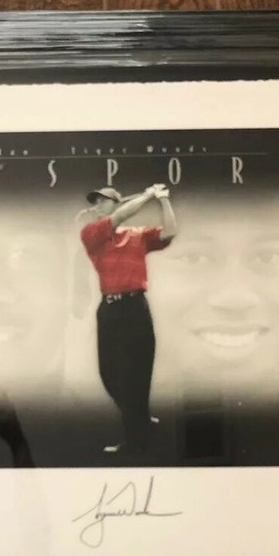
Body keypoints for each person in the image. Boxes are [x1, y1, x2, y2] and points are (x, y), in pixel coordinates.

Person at [79, 184, 177, 456]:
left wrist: (164, 200)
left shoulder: (138, 235)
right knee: (109, 374)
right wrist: (148, 194)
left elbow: (170, 232)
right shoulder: (91, 233)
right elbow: (121, 216)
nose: (97, 206)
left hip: (136, 308)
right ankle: (141, 420)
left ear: (117, 202)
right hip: (110, 310)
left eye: (103, 201)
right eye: (95, 202)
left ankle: (136, 440)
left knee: (138, 374)